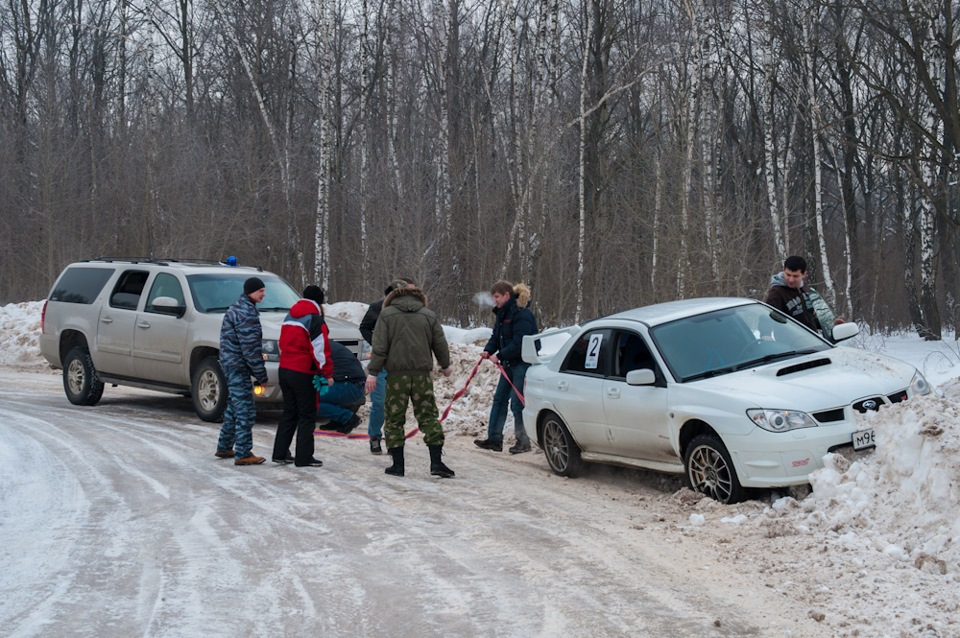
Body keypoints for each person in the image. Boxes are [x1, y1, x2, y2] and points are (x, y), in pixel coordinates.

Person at [364, 281, 454, 478]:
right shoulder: (428, 315)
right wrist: (445, 365)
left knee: (394, 419)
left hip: (396, 377)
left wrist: (373, 372)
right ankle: (437, 463)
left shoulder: (386, 315)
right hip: (421, 377)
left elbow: (380, 347)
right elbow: (440, 342)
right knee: (428, 416)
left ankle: (398, 465)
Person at [270, 284, 331, 467]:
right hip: (304, 372)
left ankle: (280, 453)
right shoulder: (315, 320)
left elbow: (282, 342)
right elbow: (320, 351)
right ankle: (304, 457)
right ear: (319, 302)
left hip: (285, 370)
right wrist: (327, 374)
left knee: (290, 412)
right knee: (307, 415)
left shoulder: (290, 316)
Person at [474, 281, 537, 454]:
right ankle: (494, 439)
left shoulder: (521, 314)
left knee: (517, 404)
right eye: (493, 297)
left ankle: (523, 442)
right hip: (508, 364)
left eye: (497, 297)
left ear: (506, 295)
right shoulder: (502, 314)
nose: (495, 301)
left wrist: (500, 355)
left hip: (521, 364)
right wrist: (488, 351)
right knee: (499, 399)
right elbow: (497, 336)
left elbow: (519, 342)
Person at [216, 276, 269, 465]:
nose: (264, 294)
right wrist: (261, 375)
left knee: (233, 406)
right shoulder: (246, 313)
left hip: (231, 364)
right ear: (250, 292)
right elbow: (251, 349)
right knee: (245, 410)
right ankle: (243, 453)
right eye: (260, 291)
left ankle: (224, 446)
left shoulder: (238, 308)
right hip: (238, 366)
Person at [359, 277, 415, 455]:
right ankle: (374, 436)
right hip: (381, 363)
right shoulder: (377, 307)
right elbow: (364, 327)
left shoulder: (411, 310)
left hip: (401, 363)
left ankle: (393, 439)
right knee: (380, 402)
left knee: (397, 404)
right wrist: (377, 344)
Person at [765, 256, 845, 340]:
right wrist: (766, 334)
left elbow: (810, 318)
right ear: (783, 270)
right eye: (788, 275)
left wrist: (831, 324)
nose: (791, 280)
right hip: (789, 345)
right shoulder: (777, 292)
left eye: (795, 276)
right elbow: (766, 315)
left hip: (811, 341)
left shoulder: (806, 290)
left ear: (804, 275)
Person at [316, 340, 366, 433]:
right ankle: (337, 420)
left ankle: (349, 418)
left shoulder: (318, 349)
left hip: (351, 386)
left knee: (310, 400)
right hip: (354, 385)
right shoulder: (325, 345)